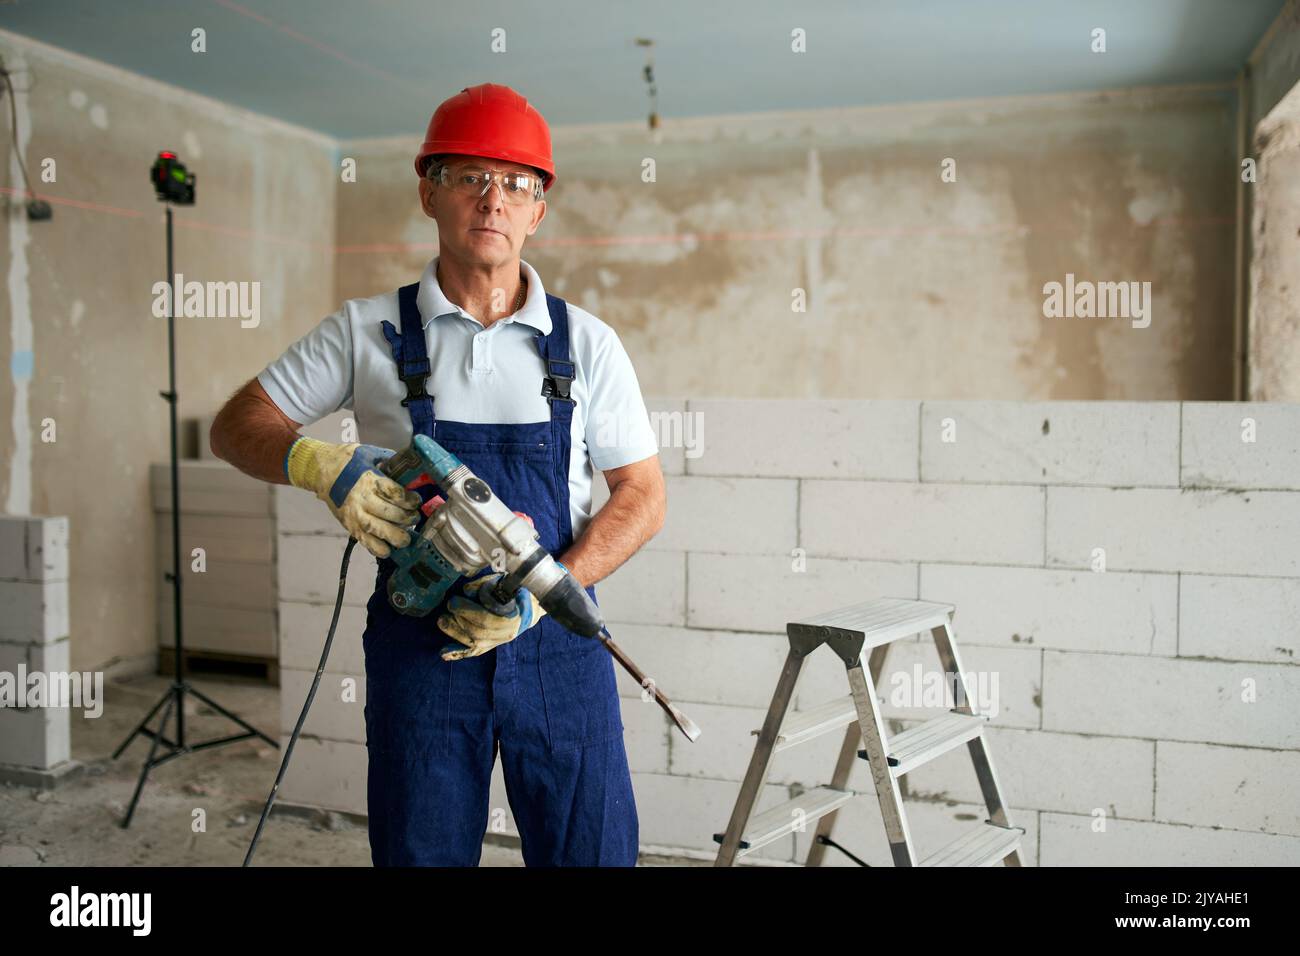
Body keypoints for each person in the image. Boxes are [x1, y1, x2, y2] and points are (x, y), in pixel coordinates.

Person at [210, 83, 666, 866]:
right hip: (421, 653)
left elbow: (644, 496)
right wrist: (317, 462)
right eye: (469, 176)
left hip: (556, 646)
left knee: (590, 851)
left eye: (517, 183)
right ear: (429, 191)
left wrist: (541, 599)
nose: (494, 198)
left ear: (538, 210)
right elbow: (234, 425)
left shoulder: (588, 345)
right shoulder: (364, 332)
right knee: (420, 854)